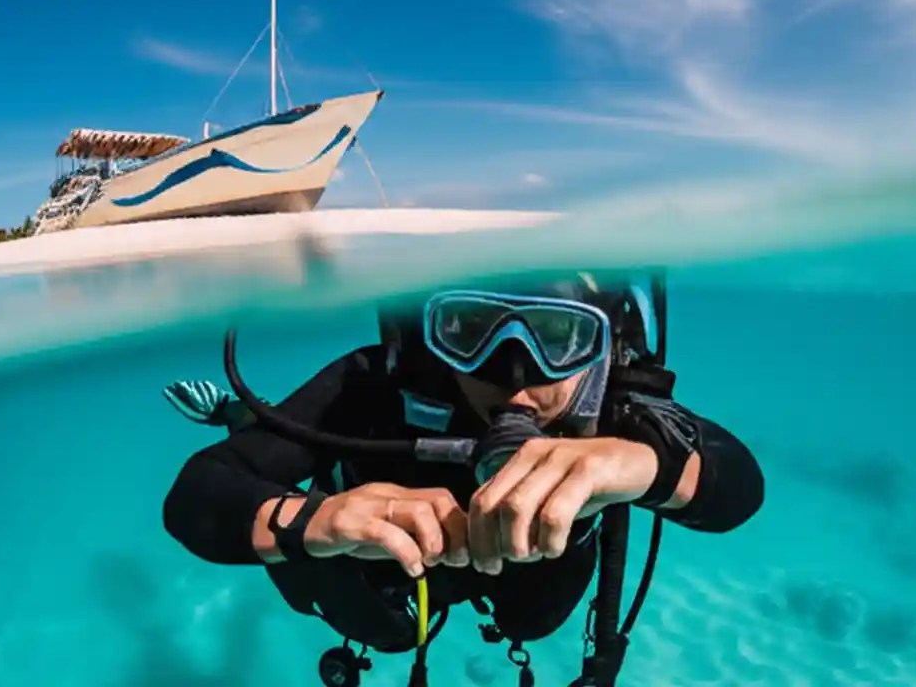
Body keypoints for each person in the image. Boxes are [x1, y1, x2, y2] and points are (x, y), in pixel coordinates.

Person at [160, 269, 764, 686]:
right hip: (389, 571)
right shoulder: (377, 381)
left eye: (558, 335)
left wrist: (640, 463)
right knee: (391, 629)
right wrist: (311, 519)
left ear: (605, 339)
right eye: (470, 328)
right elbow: (197, 493)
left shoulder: (614, 404)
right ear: (432, 329)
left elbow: (737, 485)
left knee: (530, 619)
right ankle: (243, 413)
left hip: (532, 575)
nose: (516, 376)